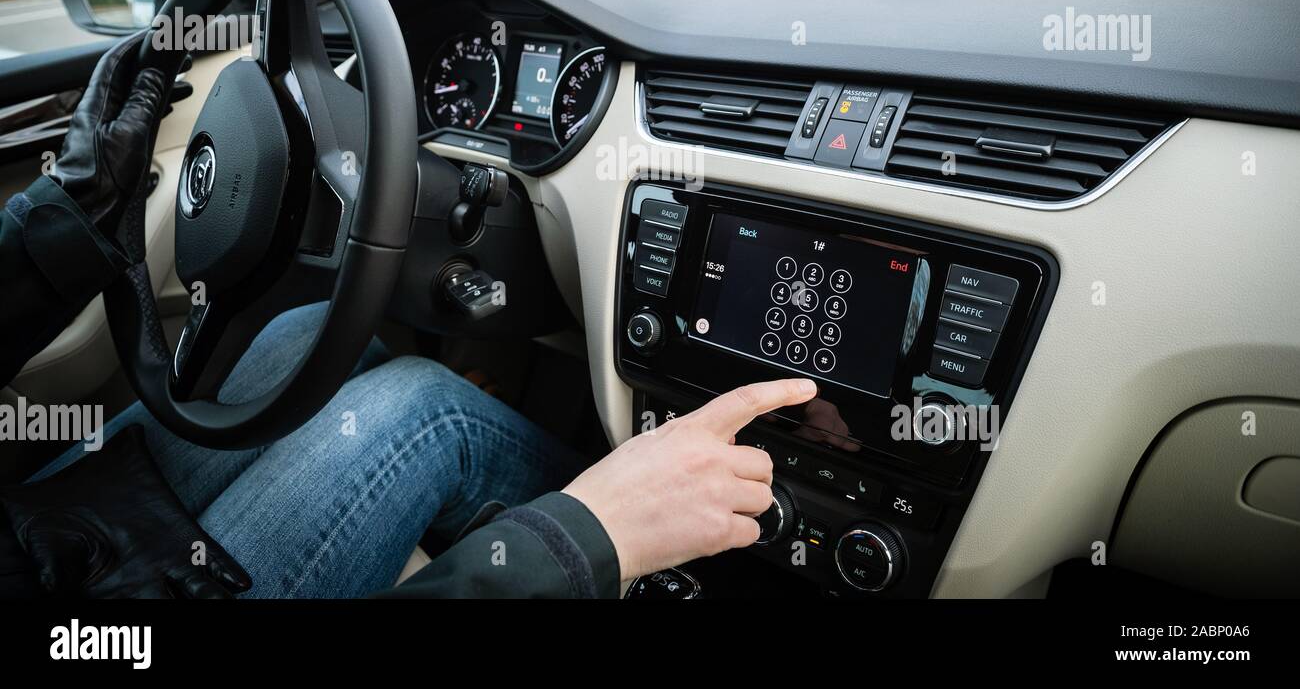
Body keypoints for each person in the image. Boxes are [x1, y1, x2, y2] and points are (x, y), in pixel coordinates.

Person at [2, 32, 811, 598]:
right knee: (424, 409)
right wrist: (591, 535)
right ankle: (661, 533)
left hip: (42, 534)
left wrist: (63, 224)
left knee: (299, 333)